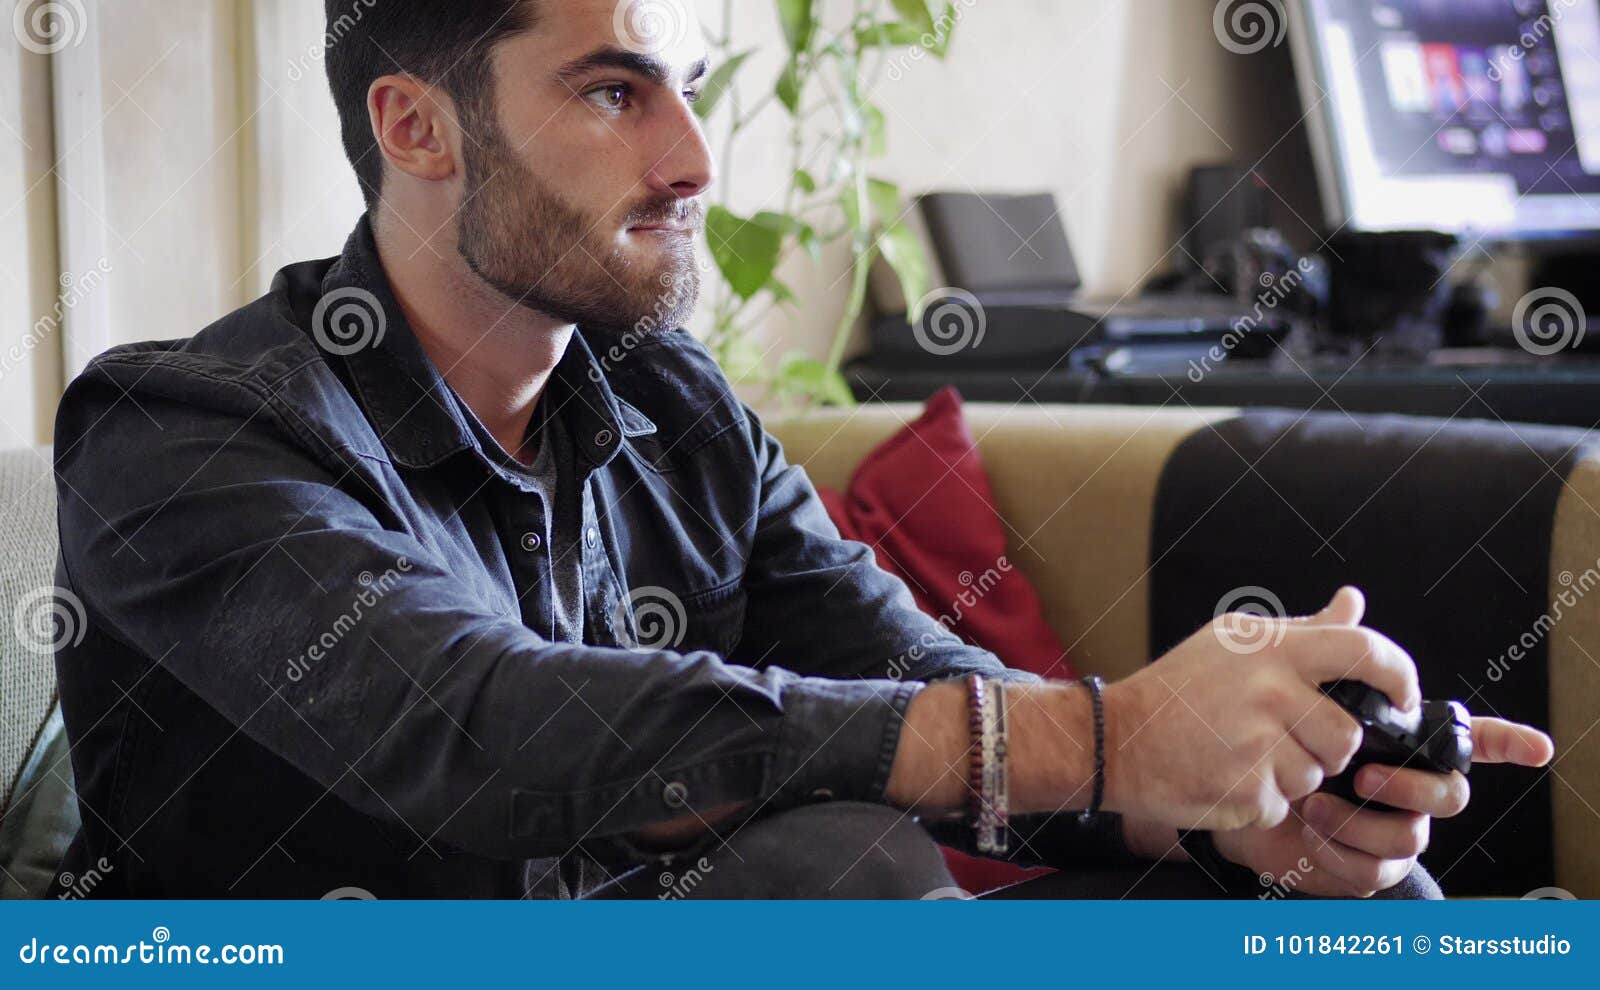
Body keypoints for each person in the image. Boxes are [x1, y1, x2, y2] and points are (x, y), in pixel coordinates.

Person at [50, 0, 1553, 900]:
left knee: (1352, 898)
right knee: (830, 866)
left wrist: (1226, 808)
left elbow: (917, 684)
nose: (695, 157)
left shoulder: (674, 409)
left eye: (688, 87)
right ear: (419, 127)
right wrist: (1099, 733)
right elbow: (488, 728)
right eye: (613, 89)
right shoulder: (182, 433)